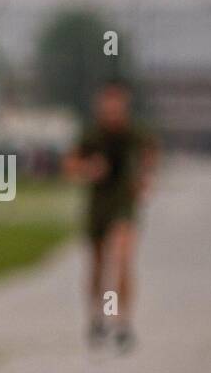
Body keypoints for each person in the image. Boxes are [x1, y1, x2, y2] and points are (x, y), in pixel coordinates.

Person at [63, 82, 157, 350]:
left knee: (123, 258)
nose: (113, 113)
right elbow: (69, 165)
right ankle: (96, 318)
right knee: (97, 263)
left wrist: (146, 178)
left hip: (123, 204)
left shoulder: (135, 133)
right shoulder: (92, 135)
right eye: (108, 107)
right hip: (98, 204)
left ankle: (123, 321)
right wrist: (87, 169)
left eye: (118, 107)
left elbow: (150, 155)